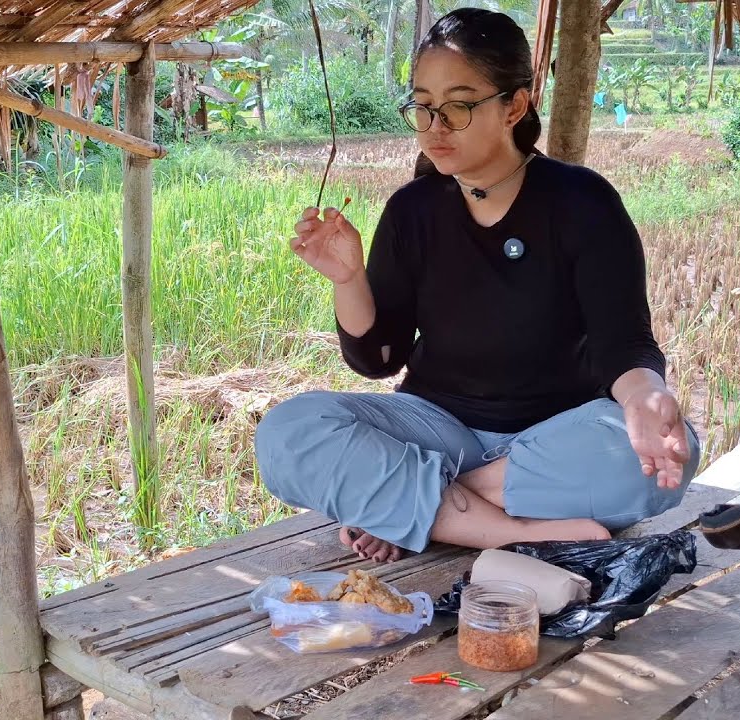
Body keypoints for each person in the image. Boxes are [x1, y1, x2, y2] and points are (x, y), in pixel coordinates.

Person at [254, 8, 701, 563]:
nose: (435, 126)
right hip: (438, 429)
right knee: (287, 434)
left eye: (459, 105)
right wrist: (349, 279)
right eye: (423, 106)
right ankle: (507, 531)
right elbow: (379, 358)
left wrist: (643, 397)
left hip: (555, 439)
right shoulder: (412, 210)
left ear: (514, 105)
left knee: (658, 461)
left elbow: (623, 344)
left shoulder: (582, 202)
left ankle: (422, 506)